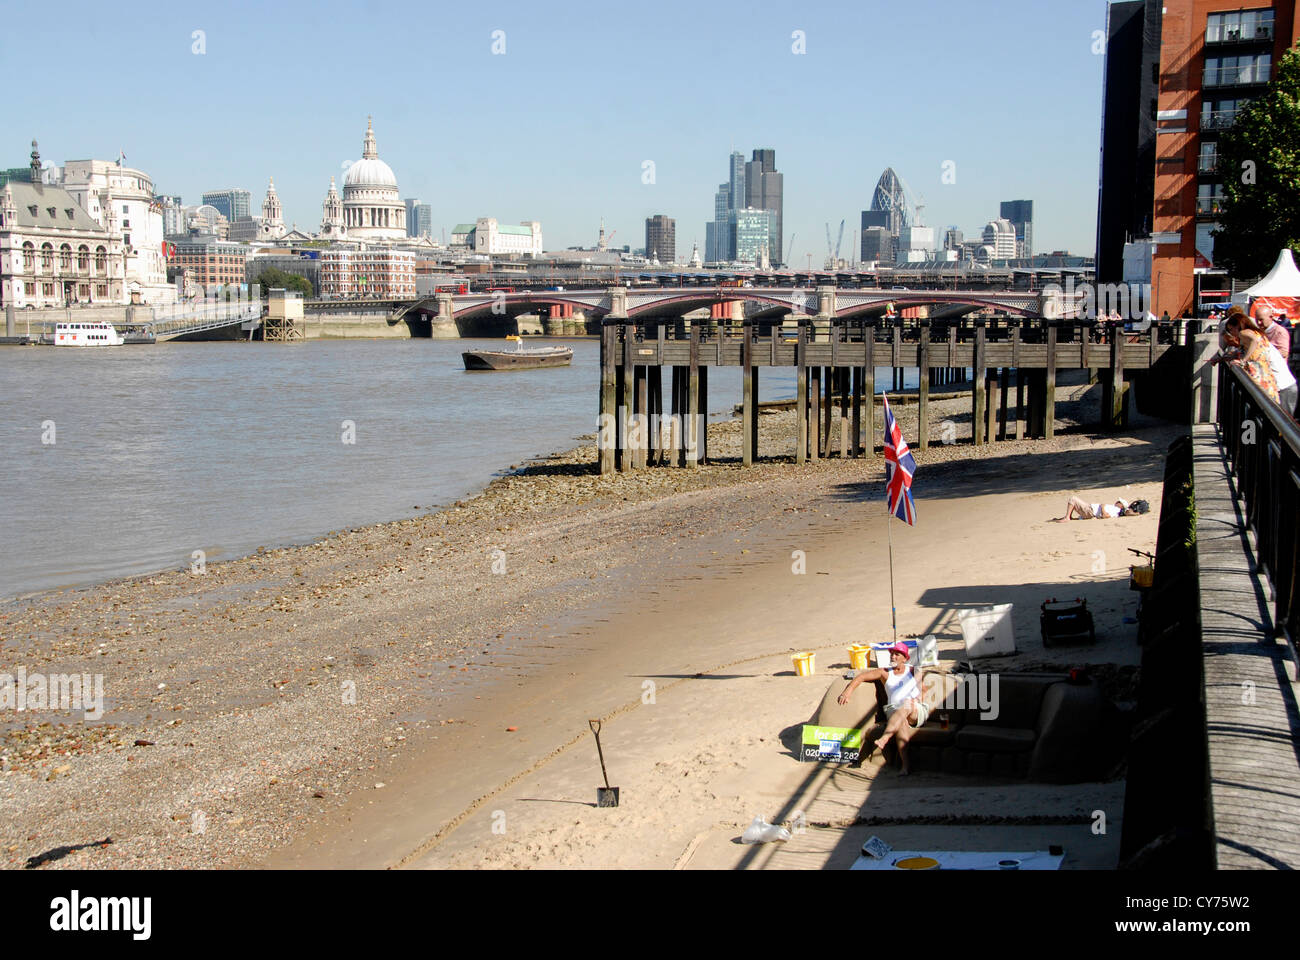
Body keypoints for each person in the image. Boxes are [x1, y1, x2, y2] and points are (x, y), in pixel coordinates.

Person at [837, 642, 929, 774]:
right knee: (901, 722)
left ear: (905, 658)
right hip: (894, 710)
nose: (893, 657)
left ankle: (885, 738)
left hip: (915, 710)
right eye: (891, 654)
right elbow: (862, 677)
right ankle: (906, 766)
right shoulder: (884, 672)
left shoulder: (913, 670)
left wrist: (918, 700)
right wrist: (848, 691)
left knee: (907, 702)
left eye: (897, 654)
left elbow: (924, 690)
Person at [1225, 312, 1293, 410]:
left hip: (1260, 375)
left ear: (1238, 325)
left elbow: (1254, 341)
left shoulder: (1243, 333)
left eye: (1231, 329)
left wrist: (1243, 360)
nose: (1231, 333)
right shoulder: (1256, 332)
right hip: (1267, 376)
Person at [1057, 496, 1129, 521]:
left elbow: (1105, 516)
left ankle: (1067, 517)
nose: (1117, 502)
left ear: (1121, 505)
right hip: (1090, 509)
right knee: (1075, 502)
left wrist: (1102, 507)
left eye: (1119, 502)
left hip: (1090, 511)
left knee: (1073, 499)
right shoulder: (1115, 508)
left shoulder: (1116, 510)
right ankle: (1068, 516)